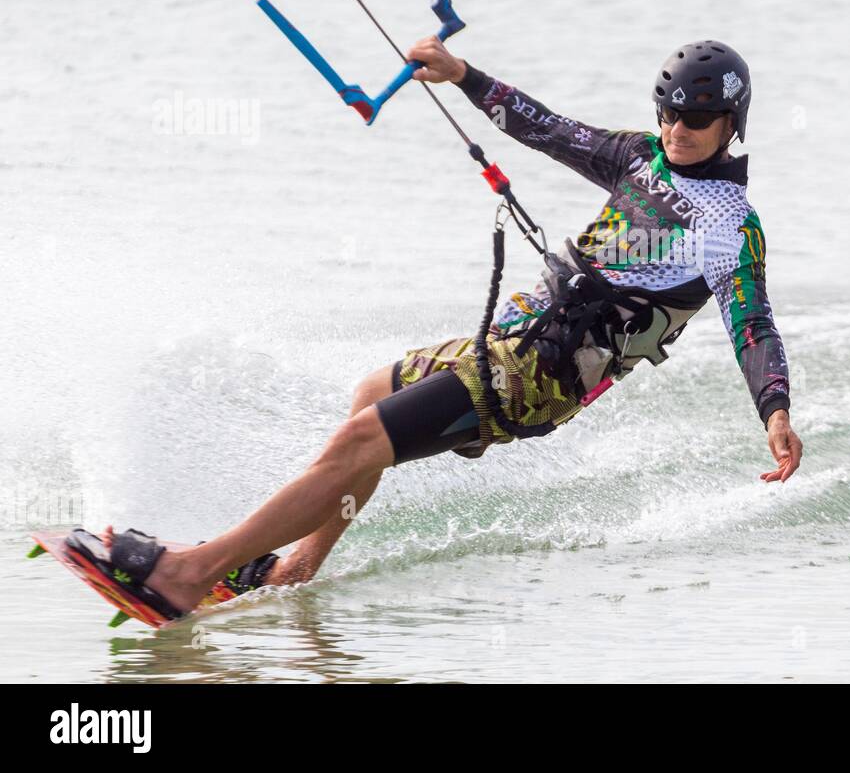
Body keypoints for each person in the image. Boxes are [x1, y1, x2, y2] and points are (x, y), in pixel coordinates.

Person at [73, 39, 804, 623]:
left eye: (695, 120)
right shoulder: (640, 158)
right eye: (669, 113)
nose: (677, 130)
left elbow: (754, 324)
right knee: (367, 397)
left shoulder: (727, 227)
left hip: (541, 379)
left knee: (358, 444)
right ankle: (295, 568)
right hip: (506, 342)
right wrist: (463, 76)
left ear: (731, 125)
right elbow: (547, 128)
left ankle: (188, 572)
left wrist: (775, 410)